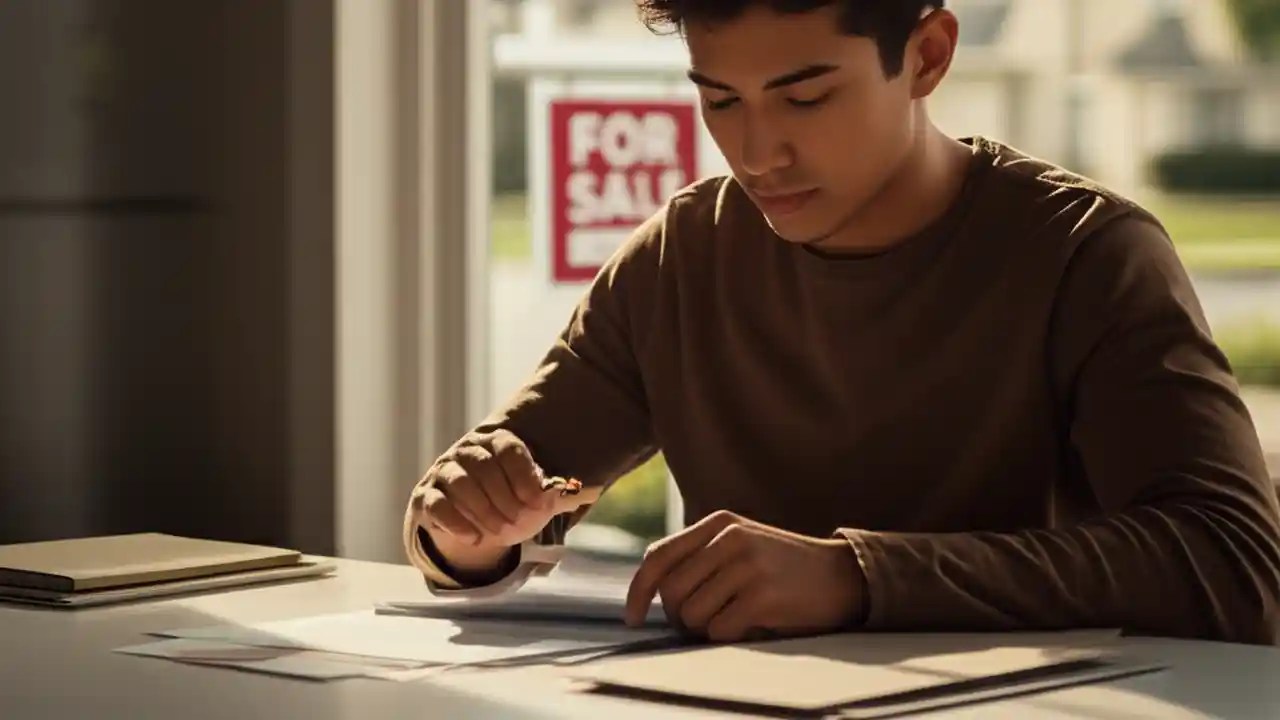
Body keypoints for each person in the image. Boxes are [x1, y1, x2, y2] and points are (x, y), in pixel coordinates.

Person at [404, 0, 1280, 645]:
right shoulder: (682, 256)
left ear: (928, 57)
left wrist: (857, 577)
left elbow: (1234, 566)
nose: (757, 154)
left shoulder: (1086, 254)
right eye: (721, 101)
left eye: (807, 98)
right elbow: (479, 504)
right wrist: (465, 530)